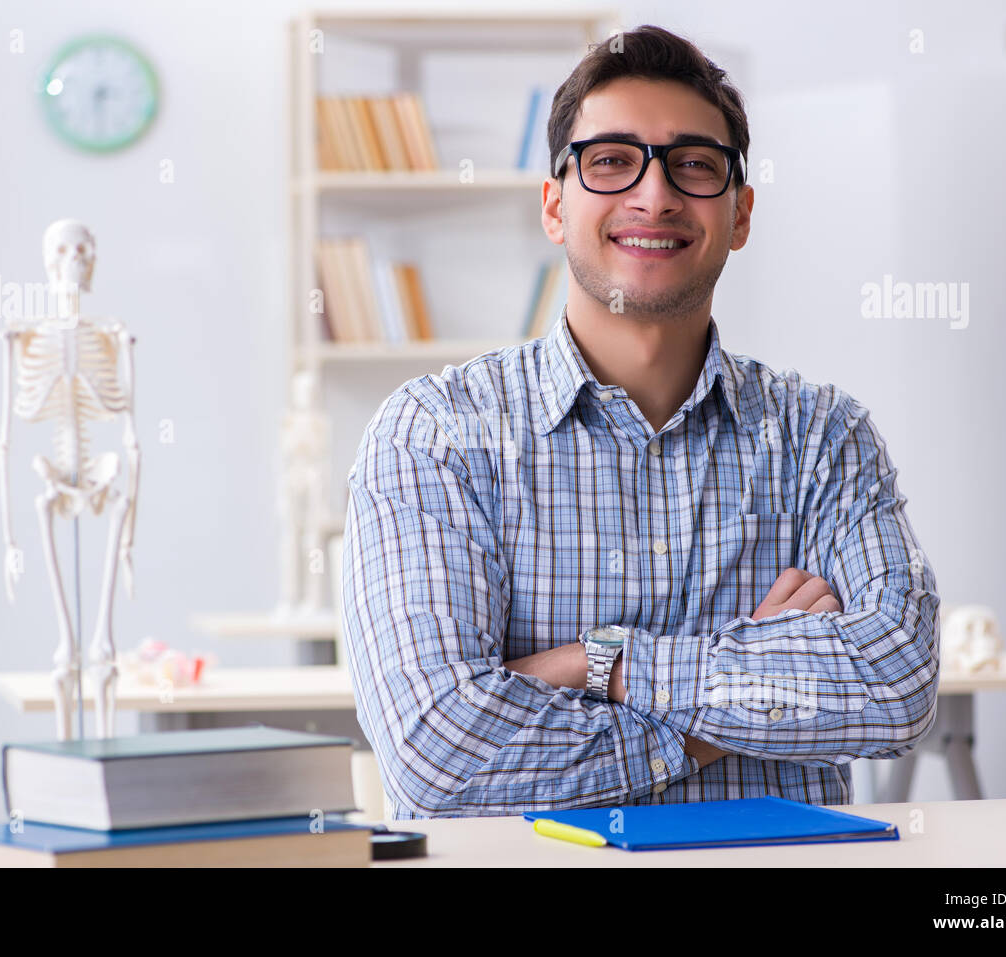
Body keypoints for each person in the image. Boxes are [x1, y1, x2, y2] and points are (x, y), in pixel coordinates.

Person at [341, 24, 939, 819]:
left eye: (694, 165)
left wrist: (601, 664)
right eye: (612, 161)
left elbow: (897, 686)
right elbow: (440, 758)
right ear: (555, 206)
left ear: (740, 214)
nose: (654, 195)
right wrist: (724, 719)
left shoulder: (823, 437)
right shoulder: (435, 432)